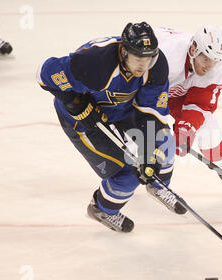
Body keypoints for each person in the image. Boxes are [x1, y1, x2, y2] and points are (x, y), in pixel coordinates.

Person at [37, 22, 185, 233]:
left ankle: (157, 184)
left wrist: (147, 153)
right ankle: (102, 209)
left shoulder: (157, 65)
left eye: (148, 58)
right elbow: (45, 73)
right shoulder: (95, 63)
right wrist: (74, 102)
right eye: (138, 58)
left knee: (164, 143)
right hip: (84, 122)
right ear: (124, 52)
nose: (144, 65)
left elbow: (151, 111)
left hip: (122, 112)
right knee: (128, 172)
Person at [153, 26, 222, 197]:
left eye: (215, 61)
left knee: (208, 130)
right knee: (144, 129)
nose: (210, 66)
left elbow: (201, 104)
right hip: (148, 88)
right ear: (193, 50)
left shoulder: (215, 69)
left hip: (177, 92)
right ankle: (141, 171)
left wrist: (186, 128)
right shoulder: (167, 56)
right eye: (206, 60)